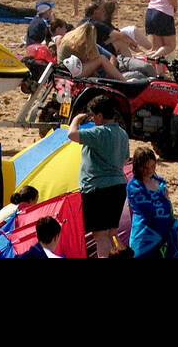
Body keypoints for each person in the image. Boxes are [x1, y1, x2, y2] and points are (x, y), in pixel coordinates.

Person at [67, 97, 130, 258]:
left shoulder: (99, 132)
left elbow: (72, 134)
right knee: (112, 233)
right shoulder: (122, 133)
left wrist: (75, 119)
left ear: (100, 115)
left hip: (97, 188)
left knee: (100, 236)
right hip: (118, 186)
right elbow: (125, 160)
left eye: (94, 116)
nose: (93, 119)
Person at [126, 147, 178, 257]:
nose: (150, 170)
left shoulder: (160, 182)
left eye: (153, 166)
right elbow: (149, 211)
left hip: (165, 234)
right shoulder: (134, 187)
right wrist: (165, 201)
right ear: (138, 167)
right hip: (145, 236)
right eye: (146, 168)